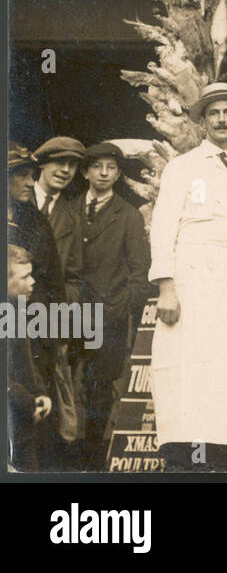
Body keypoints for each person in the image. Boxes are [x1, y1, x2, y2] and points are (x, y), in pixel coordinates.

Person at [148, 82, 227, 472]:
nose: (221, 120)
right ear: (203, 121)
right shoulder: (182, 168)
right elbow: (163, 228)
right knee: (188, 371)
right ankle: (182, 459)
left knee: (226, 373)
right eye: (213, 113)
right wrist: (166, 287)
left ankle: (220, 456)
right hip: (191, 289)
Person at [75, 141, 152, 467]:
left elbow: (140, 272)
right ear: (85, 172)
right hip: (70, 313)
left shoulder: (129, 216)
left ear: (119, 174)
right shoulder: (70, 208)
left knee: (101, 385)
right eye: (97, 167)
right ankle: (64, 452)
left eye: (111, 168)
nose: (104, 173)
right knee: (68, 380)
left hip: (110, 316)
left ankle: (92, 456)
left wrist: (121, 309)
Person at [8, 141, 77, 468]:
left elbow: (54, 281)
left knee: (40, 410)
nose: (27, 183)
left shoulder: (34, 220)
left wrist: (59, 334)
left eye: (29, 175)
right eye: (20, 176)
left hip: (37, 329)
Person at [7, 244, 53, 471]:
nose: (33, 281)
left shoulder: (17, 310)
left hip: (22, 424)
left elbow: (25, 364)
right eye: (25, 276)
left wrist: (40, 394)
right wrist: (28, 401)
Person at [32, 137, 86, 305]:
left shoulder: (74, 218)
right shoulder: (14, 201)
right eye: (59, 162)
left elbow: (73, 279)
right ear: (42, 163)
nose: (65, 170)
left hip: (45, 317)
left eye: (72, 165)